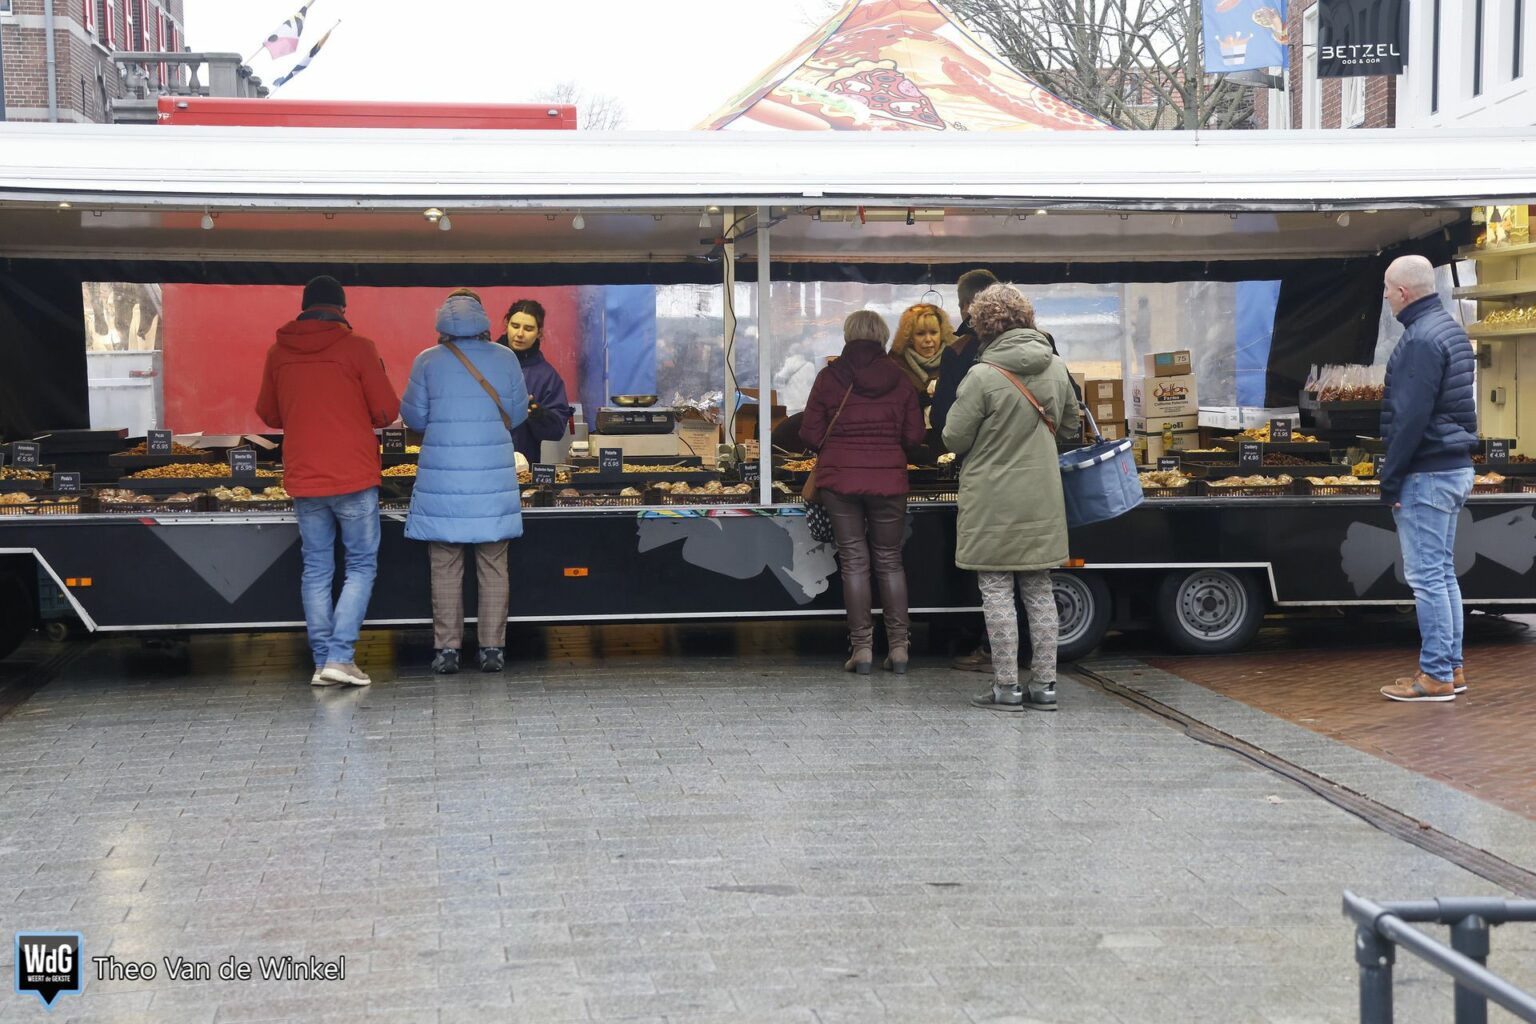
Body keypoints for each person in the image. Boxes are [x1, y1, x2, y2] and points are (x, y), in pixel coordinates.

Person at [942, 284, 1081, 712]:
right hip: (1042, 495)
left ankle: (1006, 687)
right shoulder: (1055, 367)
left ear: (984, 326)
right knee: (1039, 590)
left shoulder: (982, 376)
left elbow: (953, 435)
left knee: (997, 590)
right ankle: (1045, 685)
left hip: (991, 498)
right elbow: (1073, 427)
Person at [256, 275, 399, 688]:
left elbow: (269, 413)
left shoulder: (277, 353)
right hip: (354, 474)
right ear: (341, 309)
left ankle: (323, 662)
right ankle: (339, 656)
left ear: (304, 307)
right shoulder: (359, 348)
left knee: (316, 568)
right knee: (359, 566)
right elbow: (387, 410)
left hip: (305, 477)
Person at [401, 293, 530, 675]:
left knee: (445, 566)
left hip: (442, 481)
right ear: (484, 320)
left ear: (442, 322)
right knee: (493, 564)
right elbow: (519, 413)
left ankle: (448, 650)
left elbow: (414, 418)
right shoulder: (505, 358)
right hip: (492, 478)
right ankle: (492, 649)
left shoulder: (426, 361)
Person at [1377, 255, 1478, 703]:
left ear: (1401, 292)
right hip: (1453, 466)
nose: (1384, 297)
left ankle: (1436, 675)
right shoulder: (1450, 328)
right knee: (1442, 574)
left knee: (1427, 579)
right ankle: (1450, 667)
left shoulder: (1418, 339)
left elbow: (1410, 418)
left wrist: (1391, 478)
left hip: (1427, 472)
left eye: (1385, 289)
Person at [801, 310, 925, 675]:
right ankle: (900, 648)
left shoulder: (829, 377)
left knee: (854, 561)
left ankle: (863, 649)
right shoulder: (902, 380)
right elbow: (915, 437)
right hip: (889, 482)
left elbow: (809, 434)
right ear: (883, 338)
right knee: (889, 559)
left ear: (847, 335)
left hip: (840, 481)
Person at [496, 299, 573, 467]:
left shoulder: (547, 376)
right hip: (479, 461)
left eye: (528, 328)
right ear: (506, 324)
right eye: (515, 326)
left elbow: (557, 430)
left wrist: (537, 413)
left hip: (523, 469)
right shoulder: (484, 362)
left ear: (539, 333)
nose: (520, 334)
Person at [890, 302, 957, 417]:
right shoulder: (896, 367)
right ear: (910, 338)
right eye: (920, 334)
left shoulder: (955, 362)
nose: (928, 339)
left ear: (942, 334)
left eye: (933, 332)